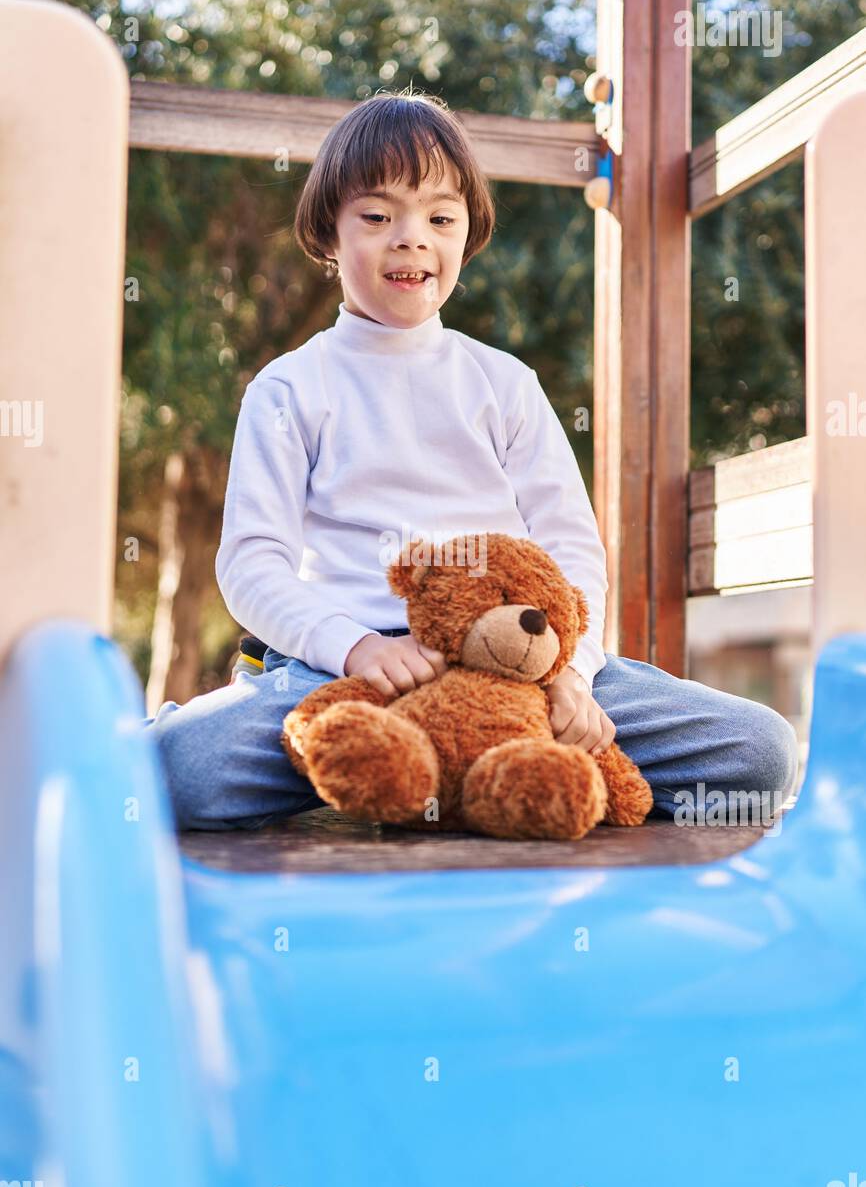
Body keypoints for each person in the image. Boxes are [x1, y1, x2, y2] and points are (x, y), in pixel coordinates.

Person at [143, 90, 798, 831]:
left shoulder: (505, 384)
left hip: (518, 666)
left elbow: (571, 548)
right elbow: (251, 564)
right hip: (350, 675)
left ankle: (496, 763)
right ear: (329, 231)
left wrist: (571, 679)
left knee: (759, 754)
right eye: (377, 216)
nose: (410, 239)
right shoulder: (290, 388)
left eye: (439, 218)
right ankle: (375, 763)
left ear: (466, 236)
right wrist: (352, 646)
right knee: (181, 772)